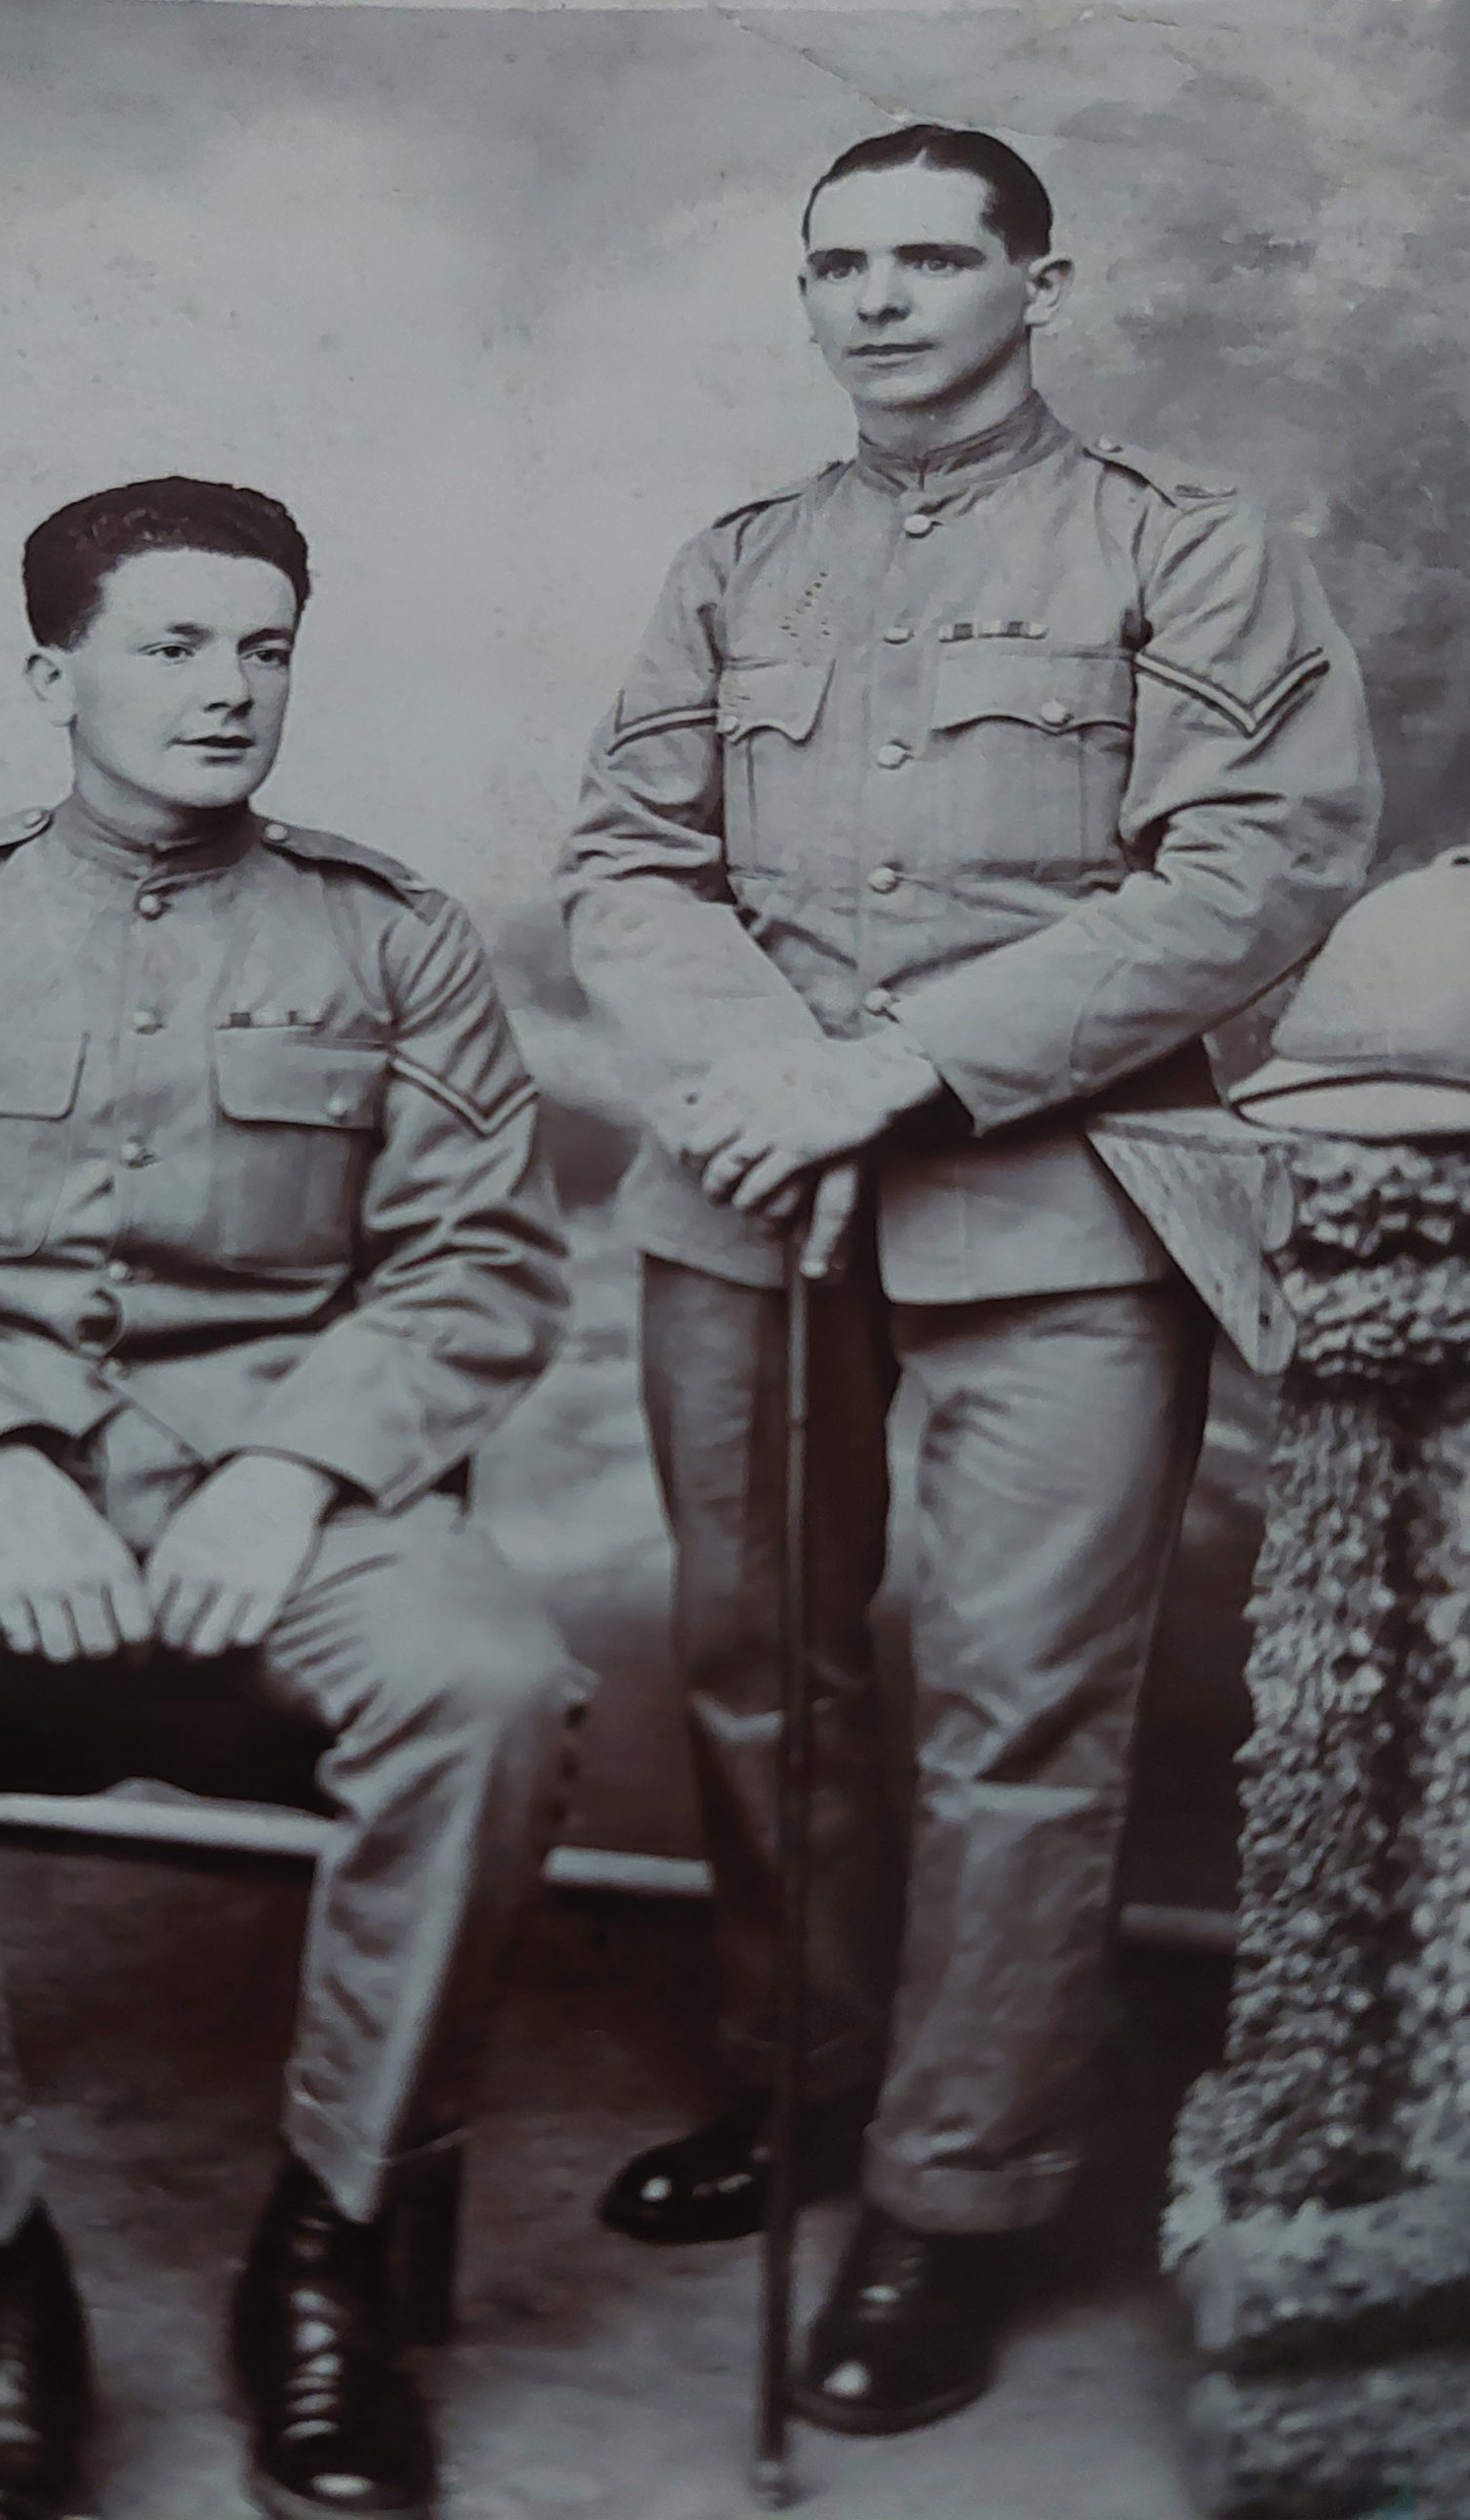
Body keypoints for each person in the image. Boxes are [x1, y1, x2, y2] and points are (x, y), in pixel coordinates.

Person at [555, 124, 1380, 2433]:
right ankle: (799, 2076)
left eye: (934, 256)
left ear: (1042, 280)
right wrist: (767, 1074)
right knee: (755, 1663)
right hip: (749, 1182)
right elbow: (624, 857)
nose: (882, 298)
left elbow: (1258, 866)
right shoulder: (735, 563)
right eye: (841, 263)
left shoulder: (1184, 546)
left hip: (1057, 1202)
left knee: (1019, 1710)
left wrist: (903, 1068)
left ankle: (954, 2187)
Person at [0, 475, 587, 2520]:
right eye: (173, 645)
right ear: (53, 677)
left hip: (287, 1482)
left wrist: (293, 1466)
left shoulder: (390, 937)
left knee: (487, 1689)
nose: (228, 689)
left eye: (265, 649)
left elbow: (479, 1261)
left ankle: (328, 2251)